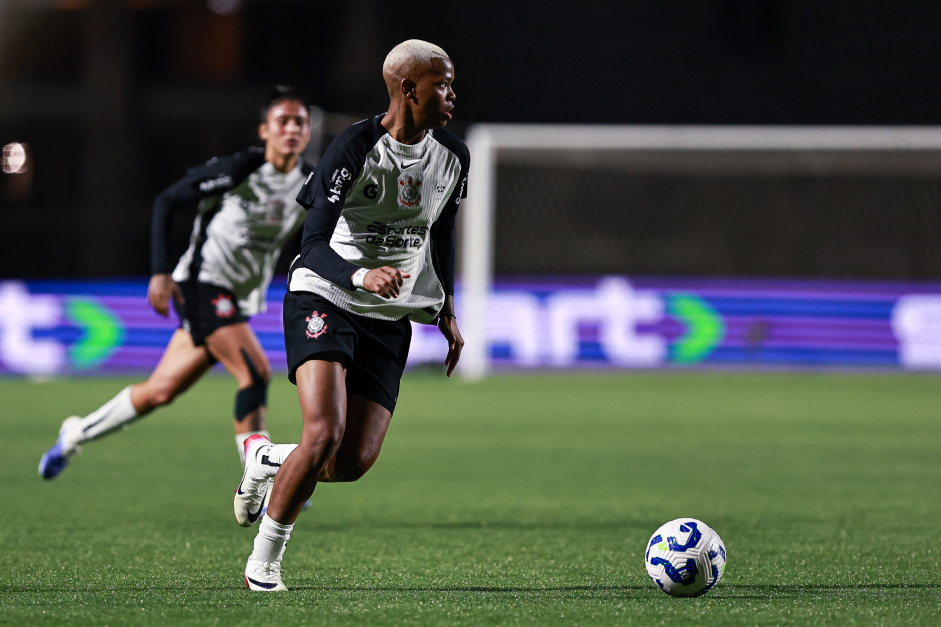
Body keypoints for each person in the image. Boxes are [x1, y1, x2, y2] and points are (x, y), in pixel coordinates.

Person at [233, 40, 469, 592]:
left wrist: (447, 311)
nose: (452, 94)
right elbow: (311, 244)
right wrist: (361, 275)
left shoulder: (452, 157)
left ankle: (267, 458)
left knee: (354, 460)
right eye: (443, 84)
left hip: (389, 316)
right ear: (408, 89)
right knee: (324, 434)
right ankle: (263, 564)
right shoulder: (355, 147)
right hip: (326, 296)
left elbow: (441, 234)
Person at [39, 86, 314, 479]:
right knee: (254, 373)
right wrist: (160, 271)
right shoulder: (237, 170)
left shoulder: (310, 184)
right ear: (265, 130)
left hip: (236, 299)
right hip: (201, 284)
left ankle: (75, 432)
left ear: (307, 131)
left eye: (299, 122)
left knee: (160, 391)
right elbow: (167, 201)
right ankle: (260, 476)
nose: (291, 129)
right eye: (282, 121)